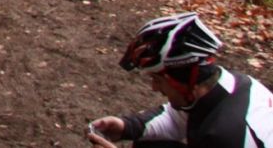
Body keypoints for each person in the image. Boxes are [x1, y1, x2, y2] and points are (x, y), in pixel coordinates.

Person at [86, 11, 273, 147]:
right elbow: (178, 118)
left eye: (158, 80)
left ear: (185, 81)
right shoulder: (227, 85)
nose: (154, 87)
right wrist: (127, 127)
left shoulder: (226, 135)